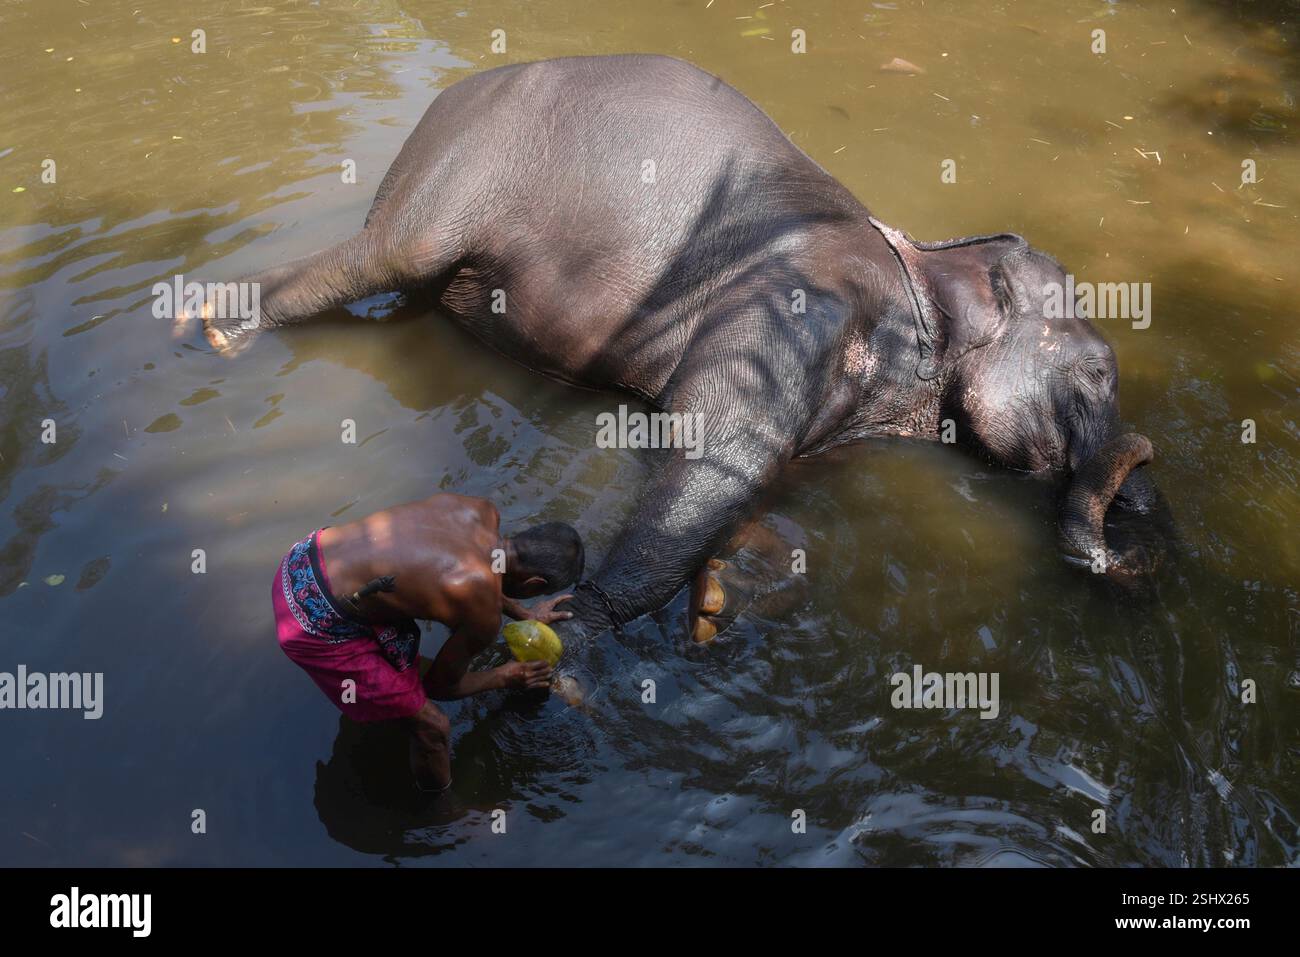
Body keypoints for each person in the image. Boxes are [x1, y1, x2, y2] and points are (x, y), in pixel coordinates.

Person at [272, 493, 583, 793]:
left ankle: (387, 692)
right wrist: (507, 676)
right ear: (534, 584)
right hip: (308, 620)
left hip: (304, 558)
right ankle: (441, 808)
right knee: (433, 727)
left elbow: (474, 571)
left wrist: (523, 613)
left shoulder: (481, 510)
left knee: (403, 647)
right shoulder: (483, 613)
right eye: (533, 594)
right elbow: (442, 688)